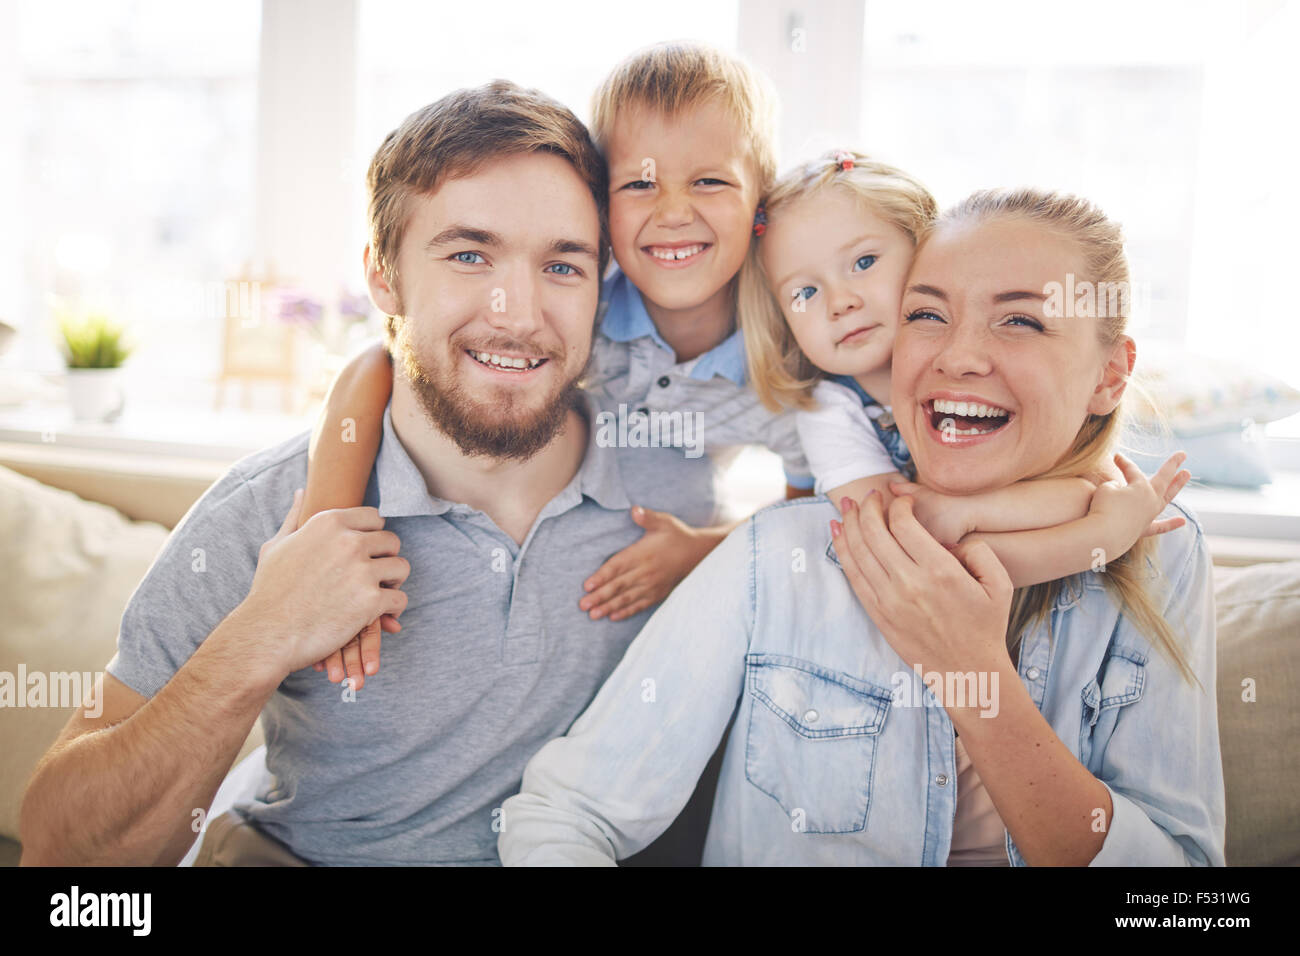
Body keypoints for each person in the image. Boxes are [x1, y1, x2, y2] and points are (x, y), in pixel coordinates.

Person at [19, 80, 712, 866]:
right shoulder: (269, 513)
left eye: (562, 266)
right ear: (383, 277)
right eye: (468, 254)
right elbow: (60, 861)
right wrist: (262, 635)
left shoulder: (674, 481)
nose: (517, 313)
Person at [498, 188, 1225, 866]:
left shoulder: (1157, 550)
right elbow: (565, 816)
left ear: (1109, 375)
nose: (959, 355)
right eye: (927, 314)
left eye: (1022, 320)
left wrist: (970, 670)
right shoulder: (781, 558)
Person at [301, 42, 819, 690]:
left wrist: (702, 550)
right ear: (606, 207)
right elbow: (387, 356)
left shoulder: (794, 358)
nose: (674, 211)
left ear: (762, 205)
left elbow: (810, 513)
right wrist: (325, 522)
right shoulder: (583, 300)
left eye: (710, 181)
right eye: (639, 184)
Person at [739, 149, 1189, 586]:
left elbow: (1091, 490)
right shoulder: (828, 412)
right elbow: (912, 554)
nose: (840, 302)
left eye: (864, 262)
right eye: (805, 293)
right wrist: (1099, 536)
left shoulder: (1044, 427)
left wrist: (972, 513)